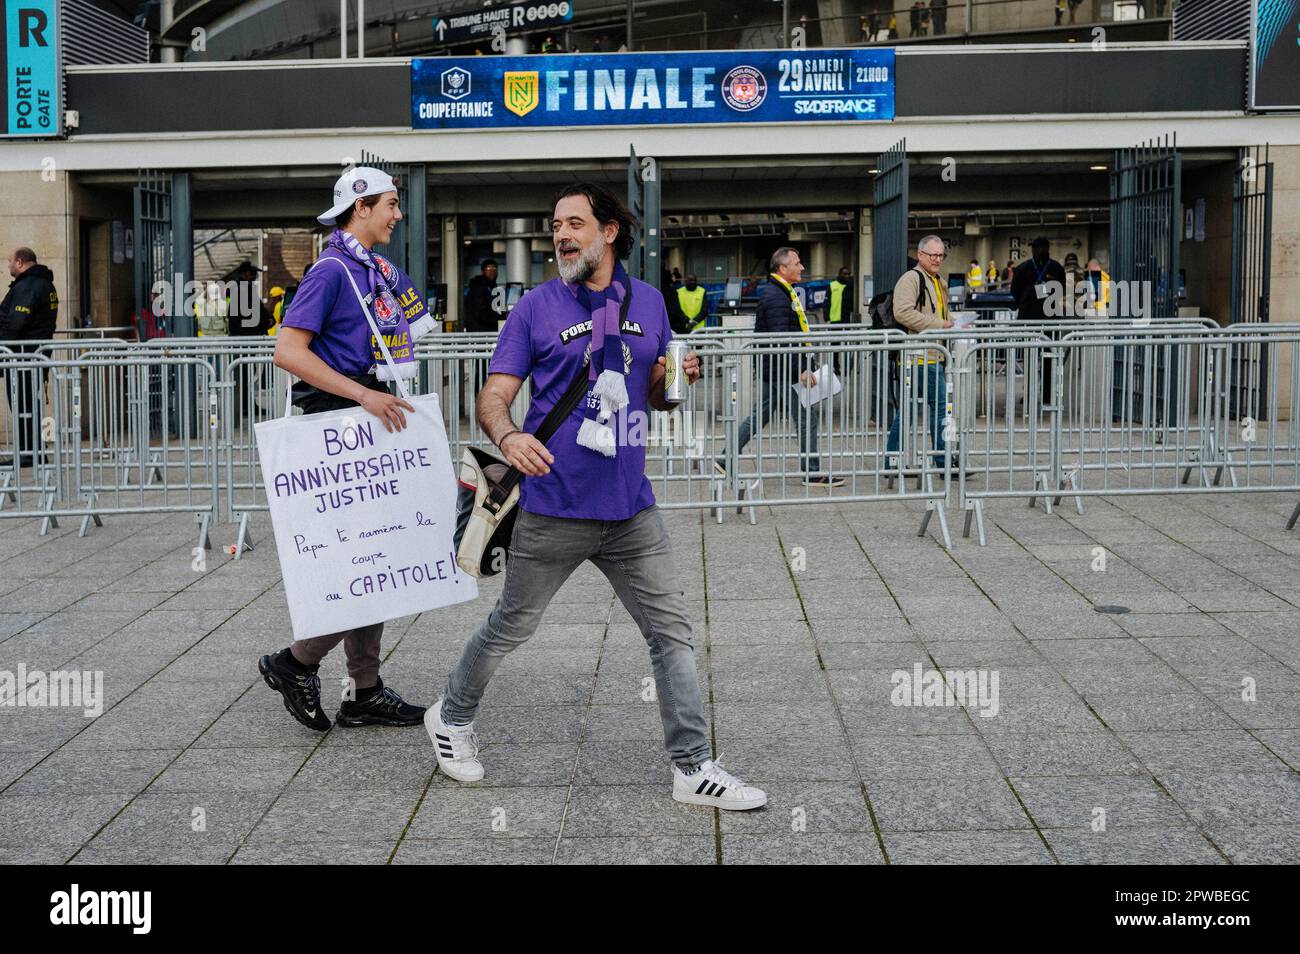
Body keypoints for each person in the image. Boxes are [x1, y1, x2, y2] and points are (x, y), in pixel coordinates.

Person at [429, 182, 767, 811]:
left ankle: (692, 767)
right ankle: (450, 717)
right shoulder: (536, 307)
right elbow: (493, 397)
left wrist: (677, 380)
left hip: (631, 506)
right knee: (512, 626)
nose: (561, 234)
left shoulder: (650, 301)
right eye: (556, 224)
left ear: (610, 231)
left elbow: (656, 393)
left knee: (672, 634)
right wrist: (509, 435)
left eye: (575, 223)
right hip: (553, 506)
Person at [258, 166, 432, 732]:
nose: (397, 214)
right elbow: (288, 351)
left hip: (363, 421)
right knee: (367, 564)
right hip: (339, 426)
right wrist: (363, 394)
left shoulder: (371, 270)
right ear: (361, 207)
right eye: (390, 204)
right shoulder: (333, 270)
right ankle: (296, 663)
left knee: (379, 560)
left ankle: (365, 690)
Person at [727, 247, 843, 486]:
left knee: (763, 417)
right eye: (797, 263)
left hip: (779, 368)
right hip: (783, 369)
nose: (802, 267)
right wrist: (801, 367)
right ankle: (811, 472)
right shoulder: (777, 296)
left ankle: (724, 458)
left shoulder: (780, 291)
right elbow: (783, 339)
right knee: (804, 418)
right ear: (782, 268)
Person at [885, 236, 954, 472]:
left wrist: (957, 323)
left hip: (932, 354)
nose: (937, 259)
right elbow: (903, 312)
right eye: (932, 254)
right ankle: (943, 460)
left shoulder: (937, 281)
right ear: (920, 255)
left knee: (909, 410)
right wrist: (939, 325)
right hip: (920, 356)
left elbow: (944, 316)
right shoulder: (911, 279)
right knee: (939, 407)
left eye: (940, 255)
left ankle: (892, 460)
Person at [0, 247, 58, 466]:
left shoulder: (29, 286)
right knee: (28, 405)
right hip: (34, 355)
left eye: (10, 262)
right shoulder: (44, 283)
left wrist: (3, 351)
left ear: (21, 262)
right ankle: (34, 451)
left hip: (22, 356)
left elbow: (15, 322)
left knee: (22, 405)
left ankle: (27, 454)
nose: (8, 266)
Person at [1010, 237, 1067, 403]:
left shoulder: (1023, 268)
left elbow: (1015, 293)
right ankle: (1046, 395)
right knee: (1047, 357)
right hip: (1049, 318)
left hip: (1030, 319)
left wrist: (1028, 302)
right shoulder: (1056, 268)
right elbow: (1062, 291)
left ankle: (1030, 395)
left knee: (1031, 358)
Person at [661, 267, 689, 335]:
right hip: (674, 324)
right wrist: (686, 319)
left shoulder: (655, 290)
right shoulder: (672, 291)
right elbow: (676, 309)